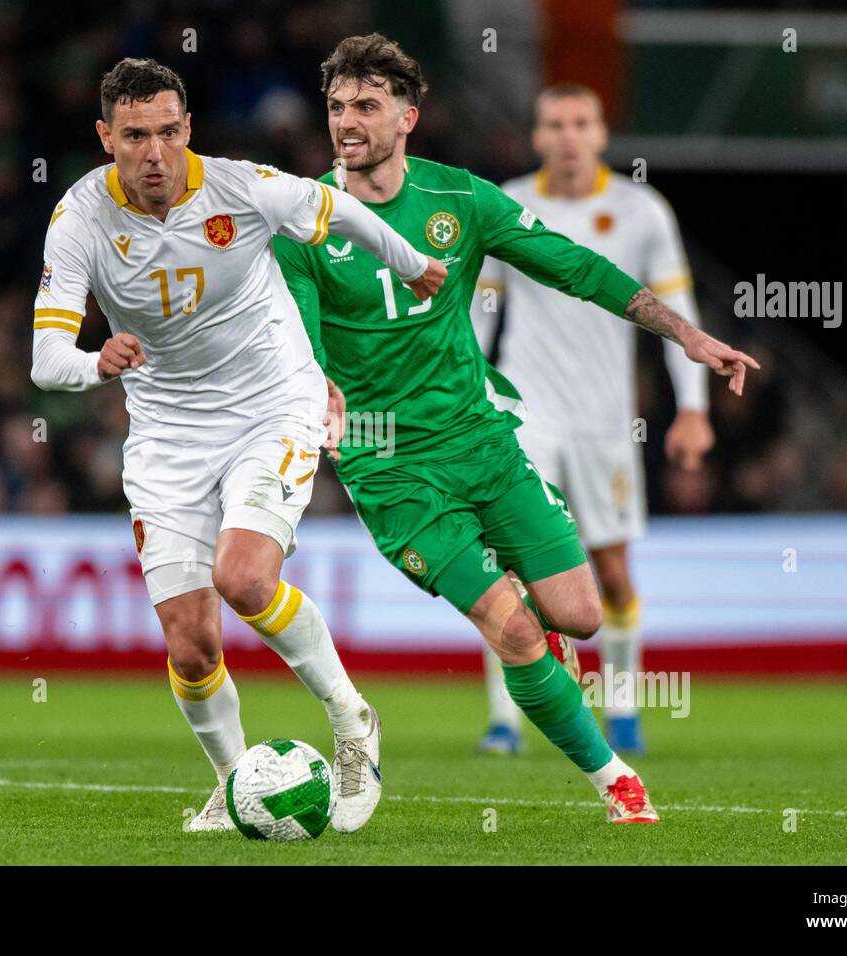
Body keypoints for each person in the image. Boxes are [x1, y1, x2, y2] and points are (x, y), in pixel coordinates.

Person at [274, 34, 758, 823]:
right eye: (336, 107)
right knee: (515, 632)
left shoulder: (462, 201)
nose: (346, 122)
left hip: (482, 439)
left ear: (408, 117)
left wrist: (685, 335)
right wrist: (321, 391)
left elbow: (574, 265)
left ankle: (537, 632)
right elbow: (302, 334)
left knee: (582, 615)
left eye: (366, 105)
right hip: (389, 463)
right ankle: (616, 781)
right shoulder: (304, 219)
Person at [30, 57, 446, 832]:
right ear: (105, 138)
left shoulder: (239, 187)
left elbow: (337, 209)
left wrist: (411, 260)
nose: (153, 153)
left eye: (166, 133)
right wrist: (95, 363)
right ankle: (233, 784)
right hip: (166, 435)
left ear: (187, 129)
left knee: (244, 577)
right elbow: (45, 359)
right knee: (190, 646)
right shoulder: (81, 216)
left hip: (271, 405)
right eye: (133, 137)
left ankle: (353, 719)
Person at [471, 83, 715, 756]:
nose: (570, 134)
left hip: (608, 425)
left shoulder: (641, 211)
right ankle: (504, 721)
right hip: (524, 417)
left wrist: (692, 409)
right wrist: (471, 393)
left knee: (610, 572)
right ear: (538, 134)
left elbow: (679, 314)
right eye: (556, 123)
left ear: (602, 133)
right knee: (512, 571)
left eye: (582, 121)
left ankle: (625, 707)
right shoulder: (507, 204)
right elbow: (481, 312)